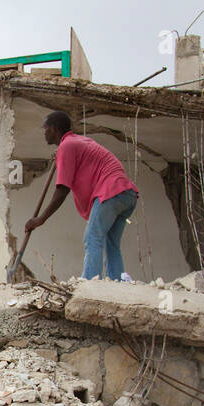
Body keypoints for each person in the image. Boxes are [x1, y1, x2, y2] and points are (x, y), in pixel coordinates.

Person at [24, 111, 139, 281]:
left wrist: (41, 219)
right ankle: (117, 281)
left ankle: (90, 282)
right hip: (127, 194)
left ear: (54, 130)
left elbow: (62, 190)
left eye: (46, 129)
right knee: (111, 243)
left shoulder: (67, 146)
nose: (44, 132)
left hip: (111, 191)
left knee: (92, 237)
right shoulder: (77, 142)